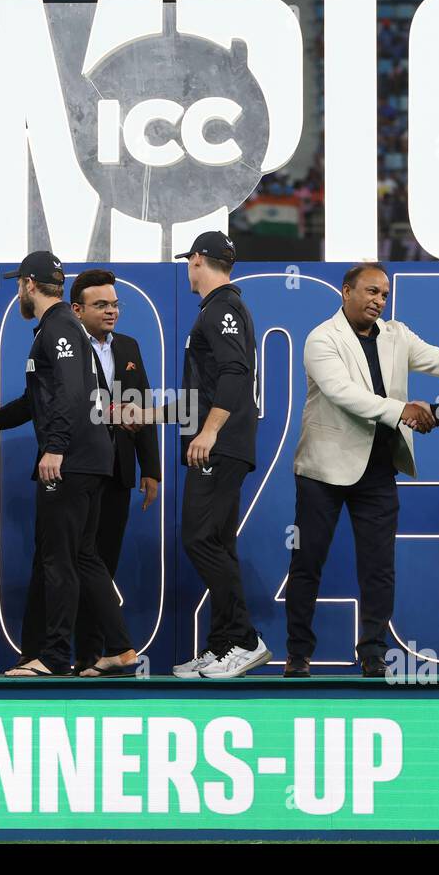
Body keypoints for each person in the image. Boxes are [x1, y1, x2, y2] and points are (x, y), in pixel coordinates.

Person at [283, 263, 439, 678]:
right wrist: (401, 411)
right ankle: (298, 655)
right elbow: (343, 394)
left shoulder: (396, 335)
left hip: (379, 470)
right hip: (322, 469)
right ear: (345, 290)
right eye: (371, 292)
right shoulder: (321, 338)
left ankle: (372, 654)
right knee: (307, 562)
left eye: (384, 295)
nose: (379, 301)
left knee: (378, 565)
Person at [0, 251, 139, 678]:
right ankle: (121, 649)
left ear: (27, 285)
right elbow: (35, 401)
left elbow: (71, 395)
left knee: (59, 560)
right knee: (84, 557)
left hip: (73, 459)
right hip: (95, 458)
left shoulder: (59, 327)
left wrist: (55, 448)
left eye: (18, 285)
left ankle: (55, 657)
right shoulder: (66, 329)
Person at [120, 230, 269, 679]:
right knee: (217, 542)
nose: (188, 268)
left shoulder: (222, 308)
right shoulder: (217, 310)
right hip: (218, 441)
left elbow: (234, 374)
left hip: (219, 446)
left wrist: (207, 432)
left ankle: (245, 639)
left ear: (198, 260)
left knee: (199, 539)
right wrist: (147, 412)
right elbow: (201, 394)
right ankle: (224, 645)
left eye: (190, 261)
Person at [67, 269, 159, 673]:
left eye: (115, 304)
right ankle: (85, 654)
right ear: (77, 309)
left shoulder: (129, 346)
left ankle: (96, 656)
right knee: (80, 563)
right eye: (101, 304)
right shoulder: (66, 346)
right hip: (79, 469)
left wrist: (150, 468)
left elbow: (143, 406)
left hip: (119, 470)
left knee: (102, 565)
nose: (111, 312)